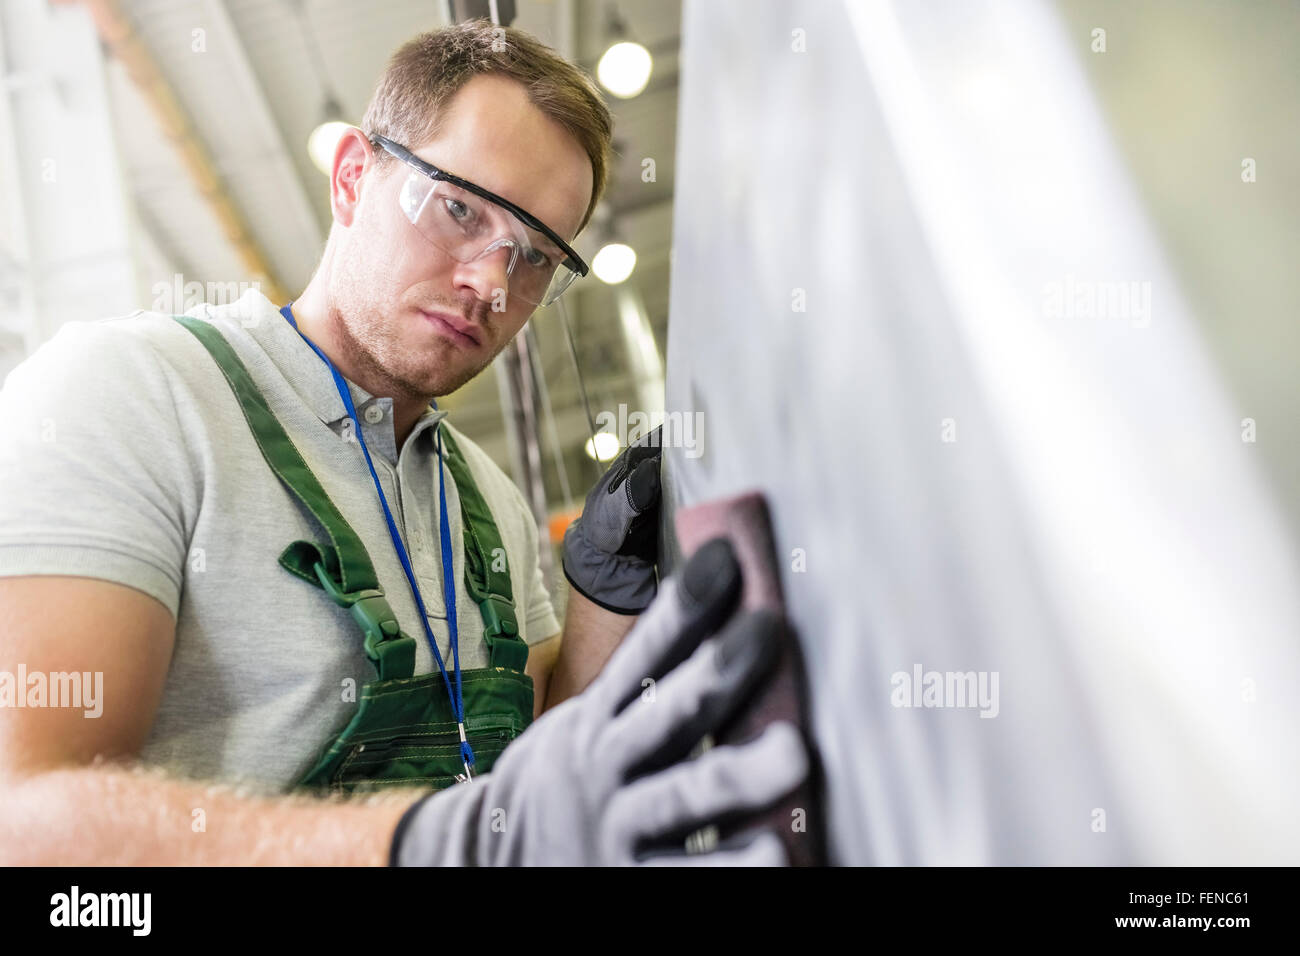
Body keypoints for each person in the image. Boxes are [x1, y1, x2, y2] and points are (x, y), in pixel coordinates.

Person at [0, 21, 808, 865]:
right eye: (460, 208)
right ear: (353, 175)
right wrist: (430, 845)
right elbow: (25, 822)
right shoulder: (132, 393)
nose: (492, 283)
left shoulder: (485, 497)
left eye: (533, 257)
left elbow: (533, 755)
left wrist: (603, 600)